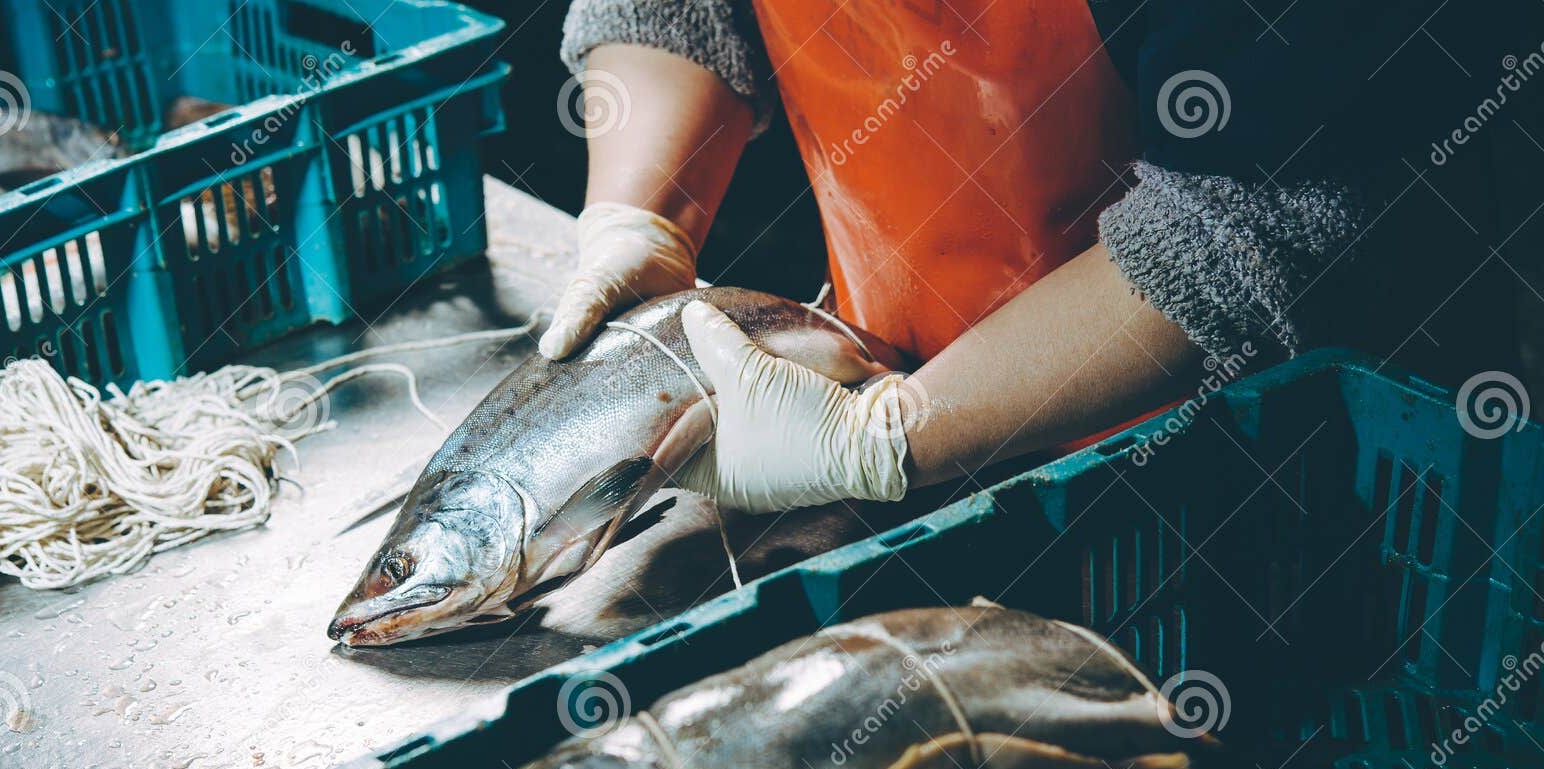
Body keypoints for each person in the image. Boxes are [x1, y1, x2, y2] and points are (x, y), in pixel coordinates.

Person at [543, 0, 1530, 515]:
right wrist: (641, 215)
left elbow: (1251, 222)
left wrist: (889, 438)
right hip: (913, 408)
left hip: (1285, 473)